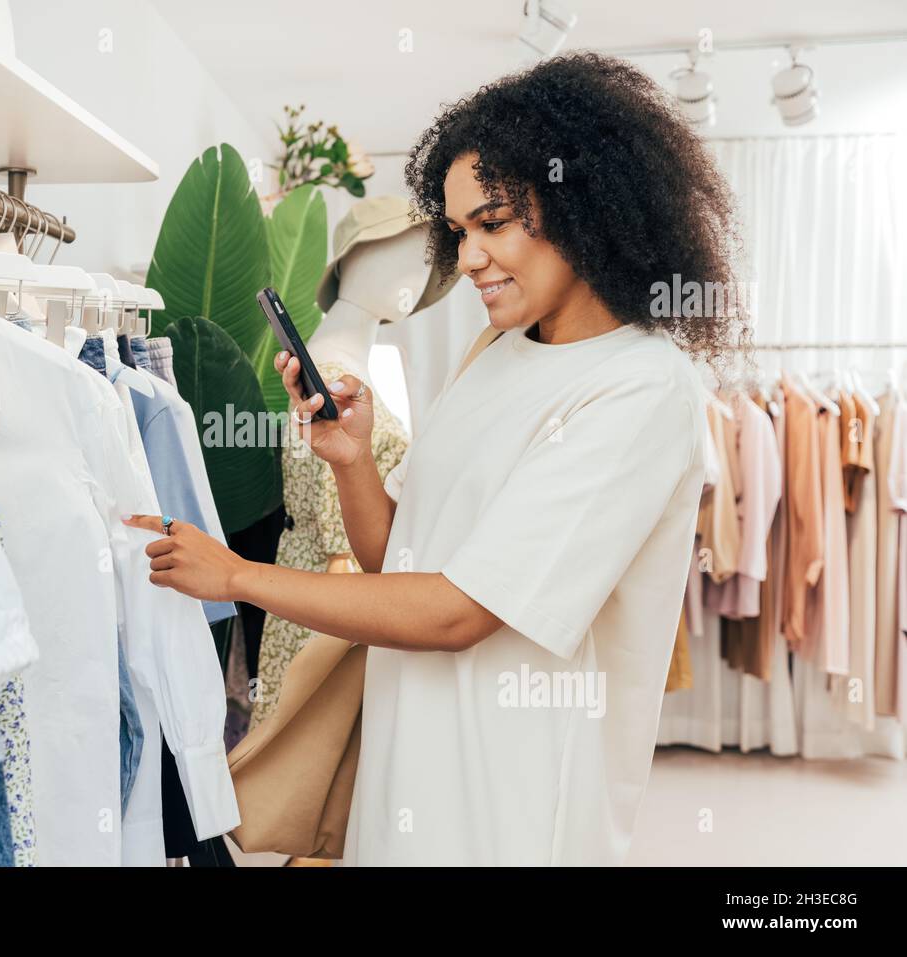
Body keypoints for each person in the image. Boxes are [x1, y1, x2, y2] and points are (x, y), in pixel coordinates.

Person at [124, 52, 749, 866]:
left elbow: (461, 612)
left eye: (494, 223)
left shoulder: (641, 388)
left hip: (513, 806)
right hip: (406, 773)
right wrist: (351, 461)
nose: (471, 258)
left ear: (584, 206)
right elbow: (402, 565)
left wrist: (235, 575)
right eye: (459, 232)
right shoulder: (495, 349)